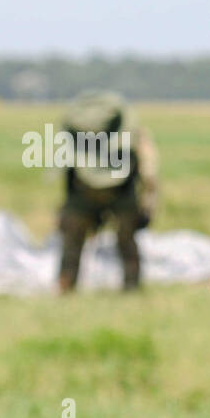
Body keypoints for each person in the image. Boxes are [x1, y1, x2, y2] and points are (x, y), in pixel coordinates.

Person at [56, 90, 160, 292]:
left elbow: (61, 167)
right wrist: (149, 203)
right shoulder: (132, 130)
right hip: (122, 190)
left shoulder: (75, 130)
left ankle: (65, 287)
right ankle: (131, 289)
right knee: (127, 241)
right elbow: (149, 170)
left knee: (72, 242)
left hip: (81, 190)